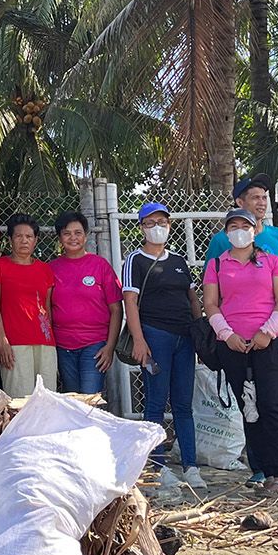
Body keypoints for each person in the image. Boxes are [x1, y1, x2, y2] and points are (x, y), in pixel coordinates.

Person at [205, 173, 278, 488]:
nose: (261, 202)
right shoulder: (221, 243)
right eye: (255, 197)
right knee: (252, 400)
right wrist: (223, 331)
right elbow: (212, 294)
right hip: (238, 337)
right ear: (238, 202)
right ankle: (260, 468)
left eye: (264, 197)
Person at [204, 206, 278, 495]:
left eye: (245, 226)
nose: (239, 231)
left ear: (255, 230)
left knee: (273, 404)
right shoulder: (216, 264)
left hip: (270, 341)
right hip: (232, 344)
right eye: (233, 227)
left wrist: (267, 331)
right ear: (226, 232)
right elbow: (211, 304)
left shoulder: (272, 261)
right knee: (249, 407)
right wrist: (226, 334)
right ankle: (260, 470)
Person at [121, 202, 205, 492]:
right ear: (142, 226)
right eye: (151, 222)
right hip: (155, 335)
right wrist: (140, 340)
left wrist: (200, 331)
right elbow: (129, 302)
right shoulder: (135, 260)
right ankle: (157, 466)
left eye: (163, 221)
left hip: (184, 338)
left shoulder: (180, 261)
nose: (158, 227)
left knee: (184, 404)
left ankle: (191, 467)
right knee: (156, 402)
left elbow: (192, 298)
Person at [49, 210, 121, 394]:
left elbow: (116, 309)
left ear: (86, 235)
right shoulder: (51, 269)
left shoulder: (100, 265)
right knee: (72, 402)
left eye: (78, 232)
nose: (73, 238)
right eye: (66, 233)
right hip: (62, 346)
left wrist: (110, 347)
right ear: (59, 238)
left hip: (95, 345)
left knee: (89, 400)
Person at [0, 213, 56, 397]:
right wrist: (2, 342)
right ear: (10, 239)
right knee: (20, 402)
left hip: (45, 343)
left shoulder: (45, 269)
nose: (24, 240)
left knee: (48, 400)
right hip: (15, 343)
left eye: (29, 236)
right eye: (19, 236)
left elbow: (47, 307)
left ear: (36, 240)